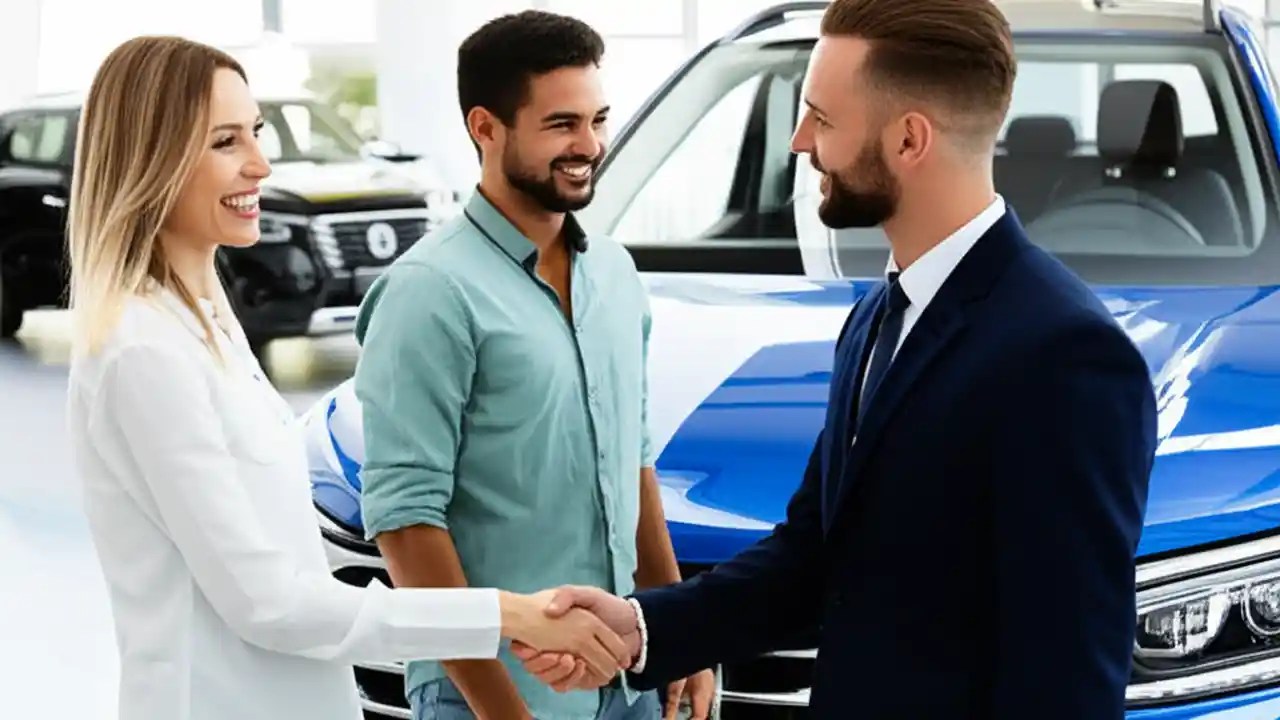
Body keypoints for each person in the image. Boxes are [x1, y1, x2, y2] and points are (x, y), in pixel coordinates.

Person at [515, 0, 1159, 717]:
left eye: (821, 118)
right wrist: (639, 628)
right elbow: (817, 558)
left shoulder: (1065, 355)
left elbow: (1066, 673)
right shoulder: (879, 315)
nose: (797, 142)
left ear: (909, 140)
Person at [63, 35, 630, 720]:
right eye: (224, 142)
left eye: (258, 132)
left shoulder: (206, 323)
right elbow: (269, 602)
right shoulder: (143, 351)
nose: (260, 164)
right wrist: (512, 615)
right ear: (150, 159)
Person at [351, 10, 714, 720]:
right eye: (561, 126)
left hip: (627, 681)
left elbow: (633, 466)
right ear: (485, 127)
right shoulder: (429, 292)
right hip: (492, 695)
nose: (590, 146)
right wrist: (502, 713)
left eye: (598, 120)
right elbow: (405, 521)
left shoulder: (615, 273)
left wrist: (681, 636)